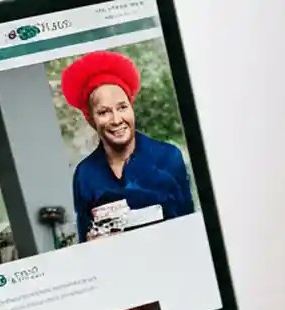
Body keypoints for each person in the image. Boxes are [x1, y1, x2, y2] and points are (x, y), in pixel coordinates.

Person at [60, 51, 194, 242]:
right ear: (91, 119)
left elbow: (190, 226)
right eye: (104, 112)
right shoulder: (85, 174)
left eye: (122, 107)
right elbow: (85, 239)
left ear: (131, 108)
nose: (116, 120)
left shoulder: (168, 157)